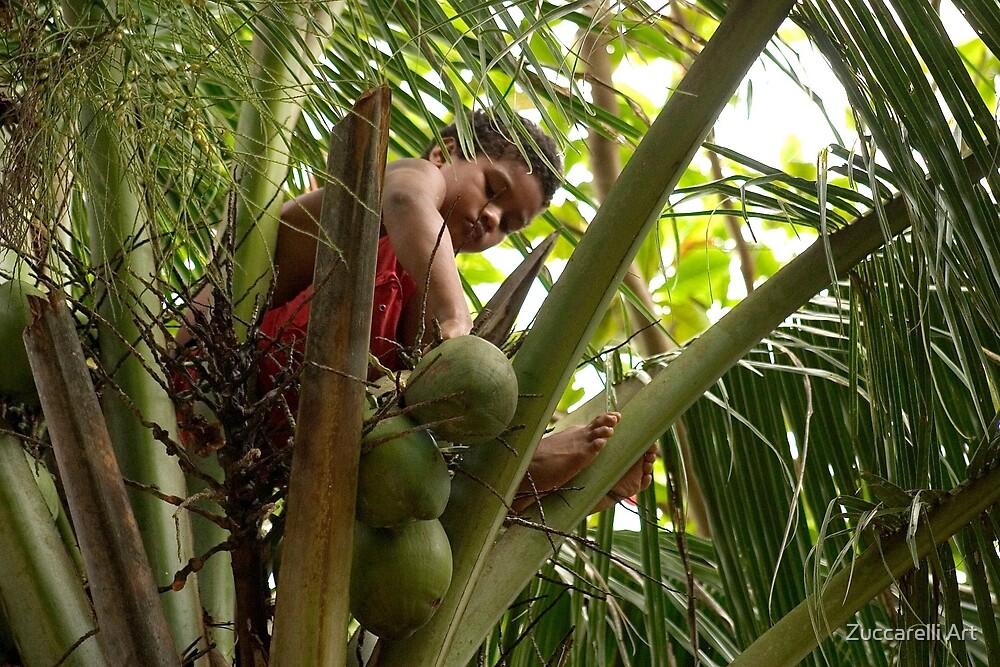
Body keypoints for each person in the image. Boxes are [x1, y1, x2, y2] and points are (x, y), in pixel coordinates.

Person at [184, 110, 655, 513]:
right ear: (445, 153)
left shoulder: (418, 294)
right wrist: (457, 317)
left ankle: (537, 473)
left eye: (509, 226)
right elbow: (407, 202)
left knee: (423, 463)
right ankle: (527, 468)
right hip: (197, 390)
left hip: (263, 462)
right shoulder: (402, 182)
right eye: (492, 189)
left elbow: (423, 422)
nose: (492, 220)